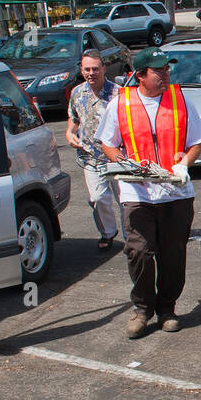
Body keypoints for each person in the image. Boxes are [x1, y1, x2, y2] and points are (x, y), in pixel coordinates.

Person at [97, 47, 201, 338]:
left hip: (176, 193)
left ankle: (167, 308)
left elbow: (197, 141)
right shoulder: (120, 104)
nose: (166, 75)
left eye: (168, 70)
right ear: (141, 75)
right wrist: (122, 162)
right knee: (139, 251)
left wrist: (184, 164)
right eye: (159, 71)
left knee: (173, 253)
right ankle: (143, 308)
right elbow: (107, 142)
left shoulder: (181, 100)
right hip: (137, 193)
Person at [66, 50, 121, 251]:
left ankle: (131, 235)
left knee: (125, 201)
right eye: (87, 69)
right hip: (91, 157)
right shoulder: (77, 93)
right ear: (81, 70)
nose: (91, 73)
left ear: (104, 69)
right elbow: (74, 118)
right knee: (97, 199)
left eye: (95, 69)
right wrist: (69, 133)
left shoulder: (118, 94)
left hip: (117, 156)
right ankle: (108, 232)